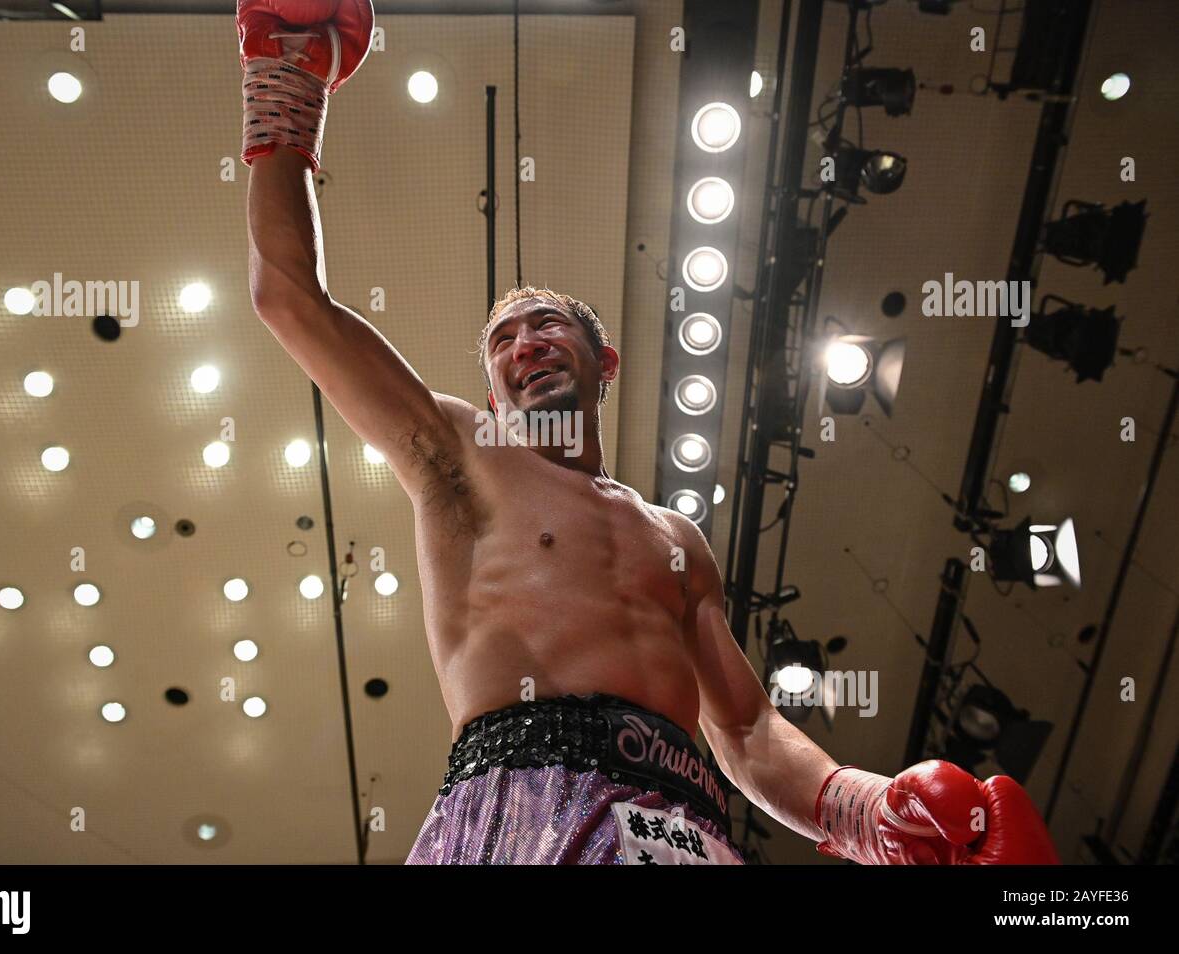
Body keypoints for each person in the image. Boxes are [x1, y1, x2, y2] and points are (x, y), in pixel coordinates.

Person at [236, 0, 1059, 865]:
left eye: (547, 325)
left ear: (605, 360)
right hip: (519, 792)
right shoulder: (457, 453)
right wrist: (288, 82)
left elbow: (744, 726)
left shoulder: (675, 537)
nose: (526, 345)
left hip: (687, 822)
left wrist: (862, 812)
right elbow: (289, 297)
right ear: (490, 385)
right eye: (504, 341)